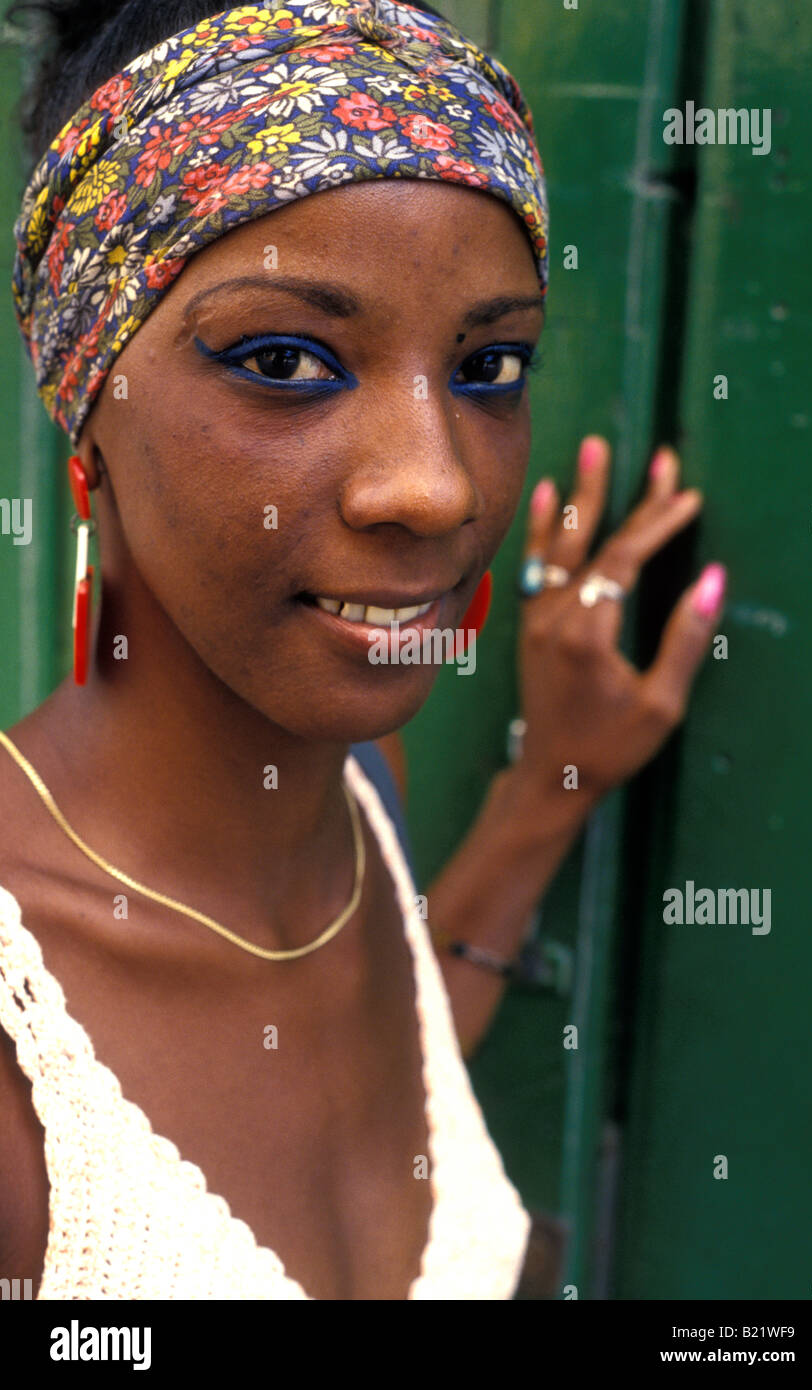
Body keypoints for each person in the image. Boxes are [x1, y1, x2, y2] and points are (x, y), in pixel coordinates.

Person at [0, 0, 726, 1300]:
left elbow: (397, 1066)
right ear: (86, 389)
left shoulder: (350, 797)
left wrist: (547, 781)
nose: (436, 488)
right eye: (286, 360)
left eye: (488, 366)